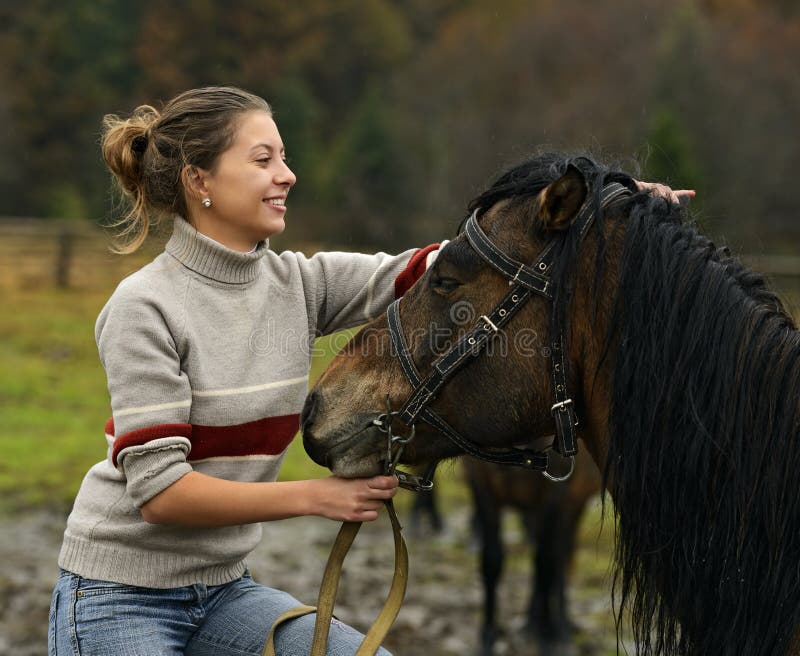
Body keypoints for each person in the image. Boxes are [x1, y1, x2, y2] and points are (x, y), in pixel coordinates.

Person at [48, 86, 445, 656]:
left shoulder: (301, 286)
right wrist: (318, 496)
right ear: (199, 181)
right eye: (263, 160)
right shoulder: (144, 306)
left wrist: (586, 214)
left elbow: (440, 269)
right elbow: (162, 494)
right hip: (118, 596)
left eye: (283, 157)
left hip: (226, 593)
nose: (287, 175)